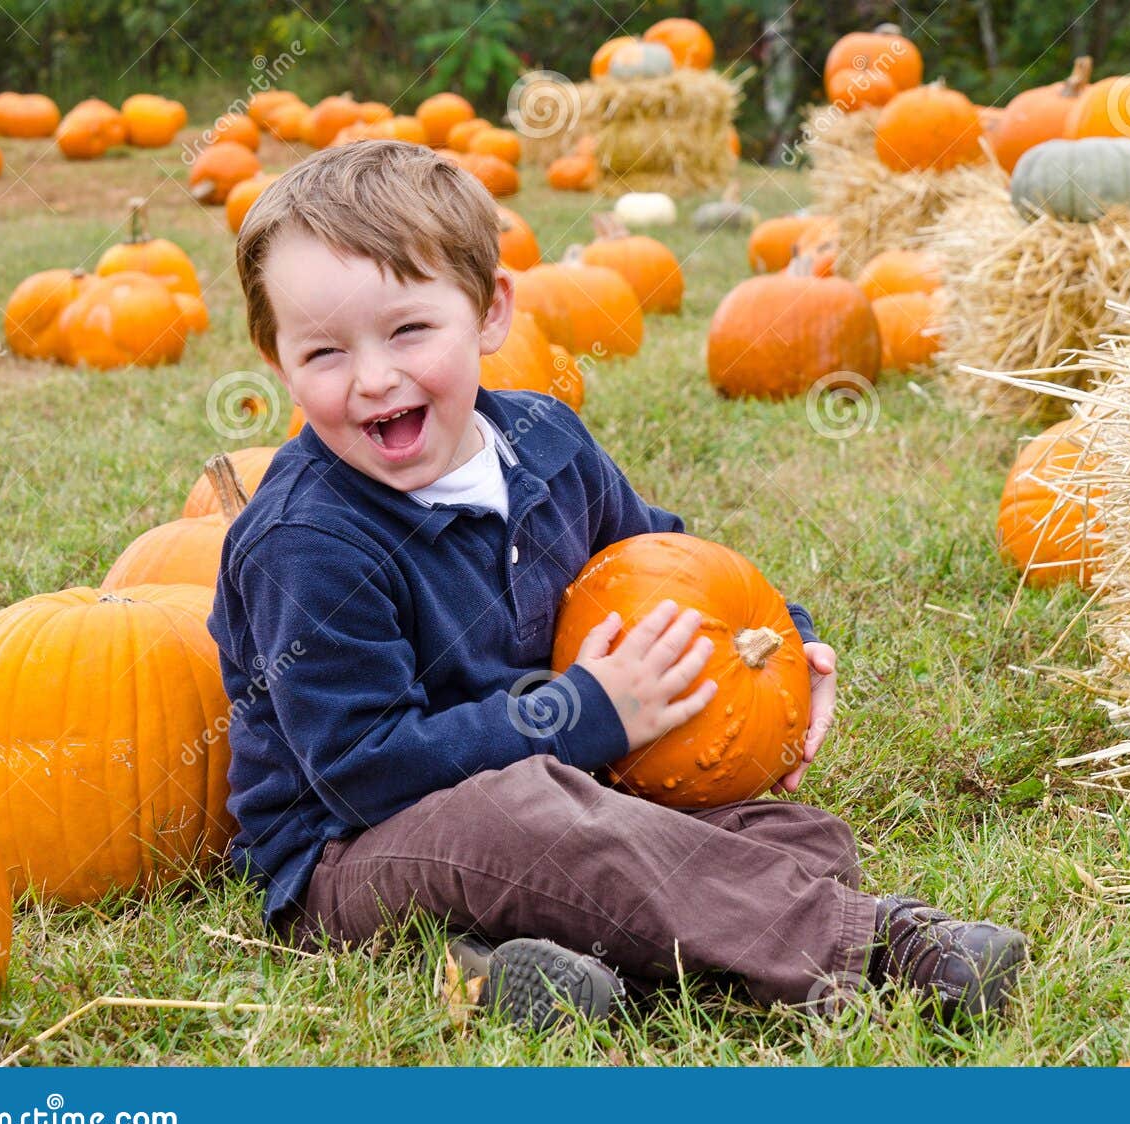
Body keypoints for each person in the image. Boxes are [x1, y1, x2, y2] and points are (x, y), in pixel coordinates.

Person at [209, 139, 1028, 1032]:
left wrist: (778, 643)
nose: (373, 377)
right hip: (352, 856)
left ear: (489, 314)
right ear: (279, 358)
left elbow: (665, 561)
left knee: (793, 832)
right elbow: (368, 770)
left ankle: (519, 972)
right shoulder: (309, 543)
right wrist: (581, 713)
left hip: (574, 792)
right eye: (324, 351)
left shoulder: (548, 442)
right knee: (528, 820)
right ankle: (873, 948)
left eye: (409, 330)